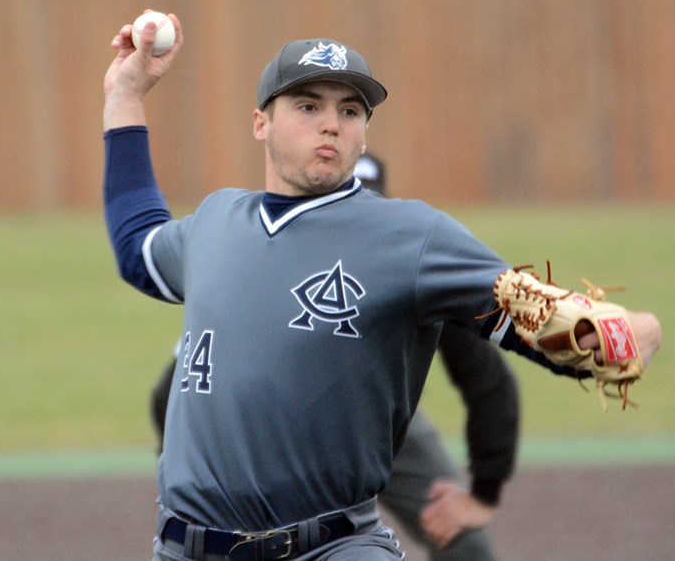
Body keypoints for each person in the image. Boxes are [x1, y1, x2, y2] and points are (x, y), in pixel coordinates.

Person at [102, 13, 662, 560]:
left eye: (350, 110)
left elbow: (529, 317)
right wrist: (126, 96)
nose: (332, 123)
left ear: (364, 134)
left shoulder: (410, 236)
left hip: (333, 546)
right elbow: (138, 248)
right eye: (307, 105)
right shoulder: (216, 220)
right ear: (260, 123)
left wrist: (612, 333)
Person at [149, 151, 520, 560]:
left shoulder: (413, 276)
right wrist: (198, 476)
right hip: (278, 435)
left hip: (379, 431)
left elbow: (487, 381)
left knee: (464, 542)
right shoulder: (268, 278)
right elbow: (172, 390)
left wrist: (483, 493)